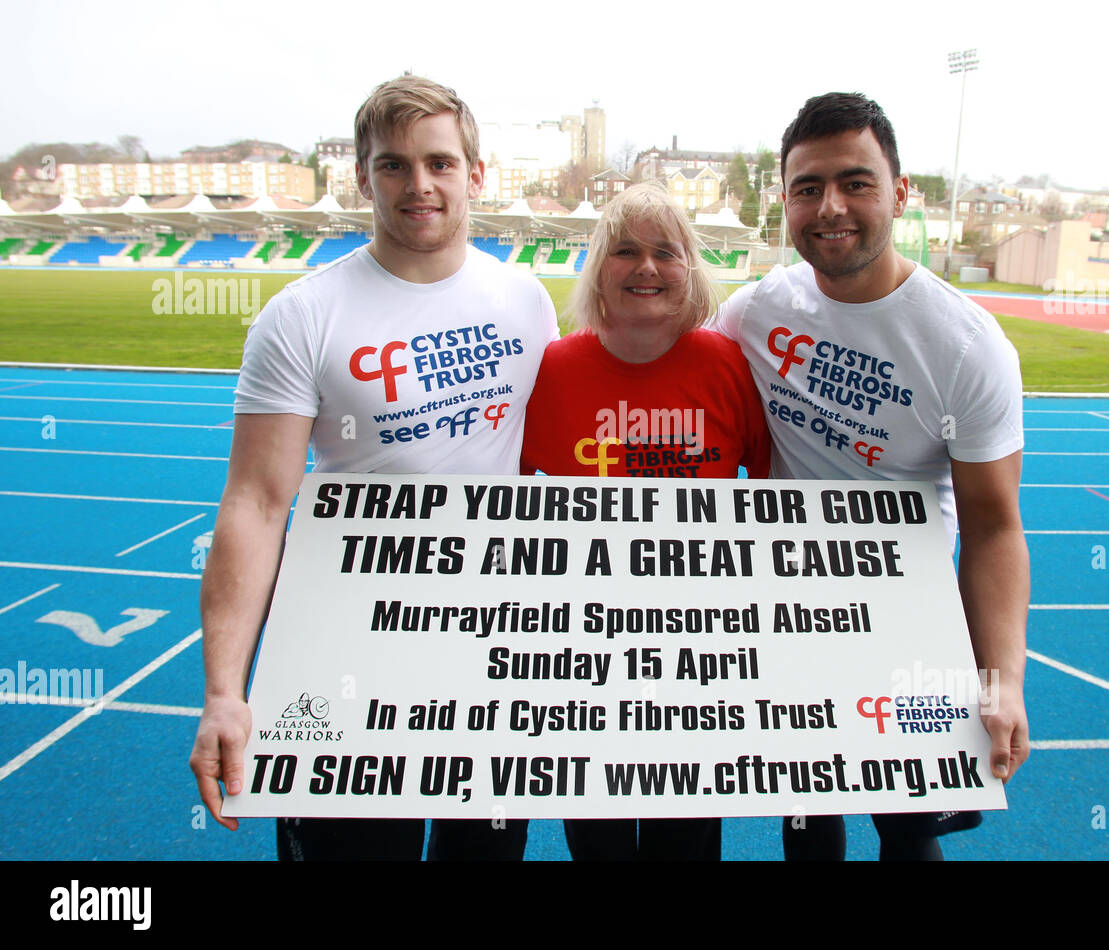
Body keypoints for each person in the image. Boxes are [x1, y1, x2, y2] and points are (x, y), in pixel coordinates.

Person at [188, 75, 559, 860]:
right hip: (343, 644)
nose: (418, 185)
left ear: (476, 174)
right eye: (393, 165)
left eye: (440, 163)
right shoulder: (302, 315)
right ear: (362, 177)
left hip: (486, 647)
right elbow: (256, 503)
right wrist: (225, 690)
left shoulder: (526, 301)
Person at [713, 92, 1029, 861]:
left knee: (909, 835)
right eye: (807, 187)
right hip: (787, 608)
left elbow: (993, 524)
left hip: (903, 620)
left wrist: (1000, 678)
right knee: (808, 827)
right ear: (783, 199)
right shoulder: (752, 312)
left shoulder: (964, 347)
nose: (831, 207)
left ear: (900, 191)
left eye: (856, 182)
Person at [521, 181, 770, 859]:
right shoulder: (554, 369)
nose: (646, 267)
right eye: (625, 250)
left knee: (685, 845)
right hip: (582, 655)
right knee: (597, 844)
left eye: (666, 251)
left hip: (698, 656)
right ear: (599, 267)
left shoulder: (727, 365)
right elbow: (512, 507)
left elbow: (773, 495)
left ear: (691, 268)